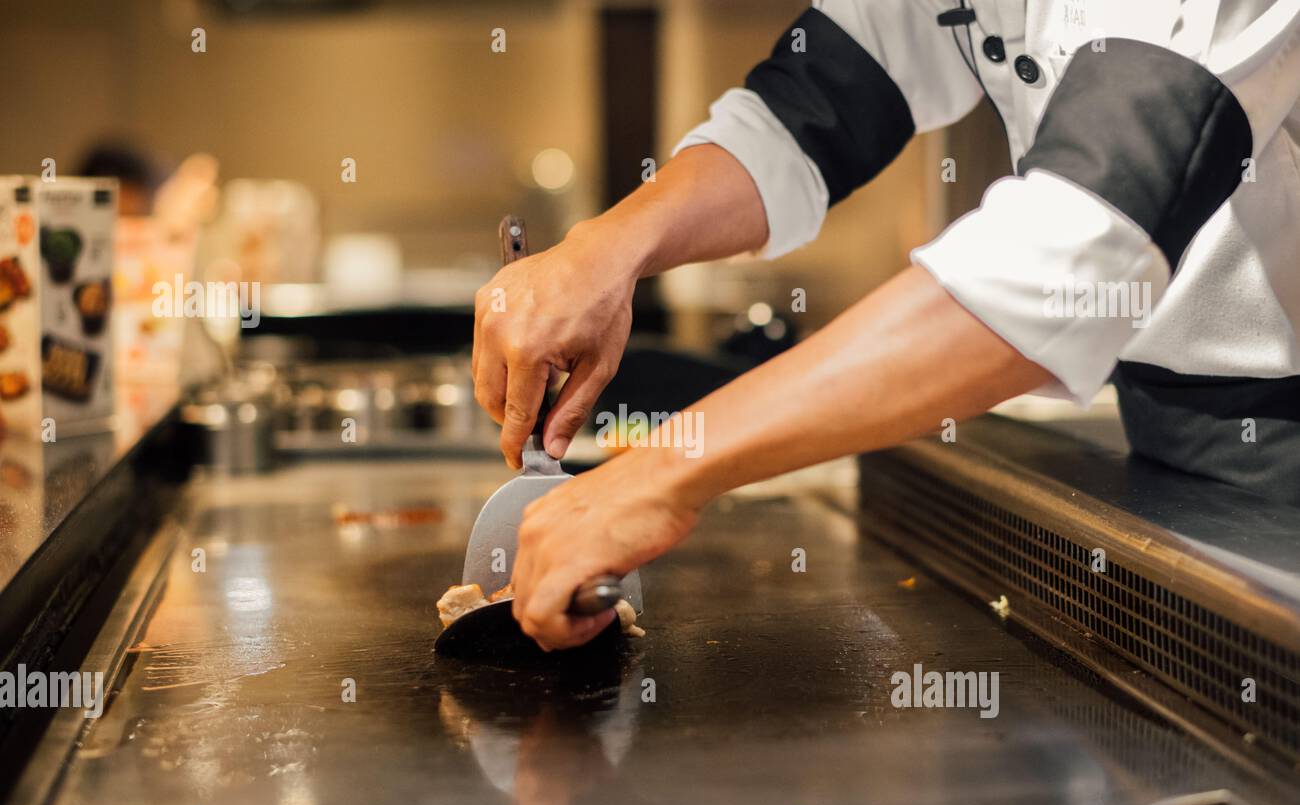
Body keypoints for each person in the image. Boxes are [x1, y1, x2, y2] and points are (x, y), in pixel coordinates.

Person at [473, 1, 1300, 649]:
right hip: (1174, 430)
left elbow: (1068, 260)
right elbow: (806, 111)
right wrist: (607, 249)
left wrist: (662, 468)